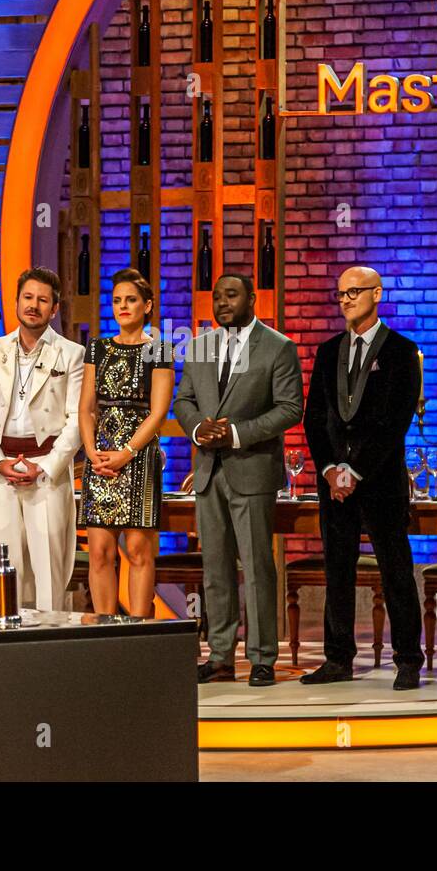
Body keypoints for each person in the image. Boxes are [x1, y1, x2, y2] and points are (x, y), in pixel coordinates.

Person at [174, 273, 303, 687]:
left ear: (252, 298)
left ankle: (263, 657)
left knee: (258, 566)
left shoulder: (278, 347)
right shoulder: (199, 346)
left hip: (252, 469)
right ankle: (221, 656)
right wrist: (198, 430)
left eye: (231, 295)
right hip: (209, 471)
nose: (222, 302)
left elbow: (289, 408)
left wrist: (234, 432)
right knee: (215, 569)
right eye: (217, 296)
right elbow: (184, 399)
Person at [301, 266, 425, 690]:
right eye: (340, 294)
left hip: (380, 478)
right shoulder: (328, 350)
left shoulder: (401, 351)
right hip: (333, 483)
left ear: (377, 294)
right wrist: (331, 469)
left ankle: (408, 659)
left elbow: (395, 421)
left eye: (354, 292)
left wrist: (356, 468)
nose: (346, 300)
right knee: (338, 570)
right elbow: (314, 417)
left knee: (395, 569)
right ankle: (338, 658)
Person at [0, 267, 84, 611]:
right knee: (5, 565)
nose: (34, 305)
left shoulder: (71, 353)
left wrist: (45, 466)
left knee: (49, 567)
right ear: (16, 301)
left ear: (55, 308)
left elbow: (78, 418)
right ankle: (8, 648)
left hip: (45, 470)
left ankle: (50, 652)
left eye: (42, 300)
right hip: (3, 469)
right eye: (28, 297)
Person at [78, 269, 174, 617]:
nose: (123, 306)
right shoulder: (98, 349)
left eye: (131, 300)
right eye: (117, 300)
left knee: (138, 551)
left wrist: (126, 453)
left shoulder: (159, 350)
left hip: (138, 457)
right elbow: (87, 407)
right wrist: (91, 451)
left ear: (147, 305)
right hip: (100, 458)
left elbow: (159, 411)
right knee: (101, 551)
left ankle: (137, 629)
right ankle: (106, 631)